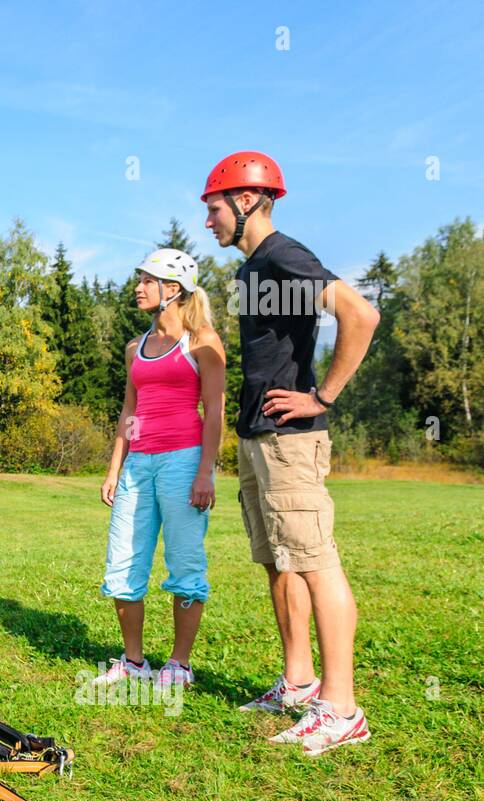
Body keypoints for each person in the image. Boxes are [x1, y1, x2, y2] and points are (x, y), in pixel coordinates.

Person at [202, 151, 380, 755]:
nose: (209, 221)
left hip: (291, 440)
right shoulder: (252, 269)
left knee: (313, 559)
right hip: (259, 436)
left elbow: (360, 314)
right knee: (278, 560)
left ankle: (341, 706)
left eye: (215, 207)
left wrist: (321, 395)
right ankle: (300, 682)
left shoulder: (284, 255)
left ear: (247, 200)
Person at [96, 249, 226, 693]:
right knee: (122, 564)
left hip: (184, 460)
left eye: (148, 280)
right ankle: (133, 661)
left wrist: (206, 471)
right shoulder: (136, 346)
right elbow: (129, 411)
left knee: (185, 563)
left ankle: (180, 663)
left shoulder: (204, 341)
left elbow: (214, 412)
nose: (138, 287)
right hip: (138, 465)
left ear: (173, 289)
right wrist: (115, 467)